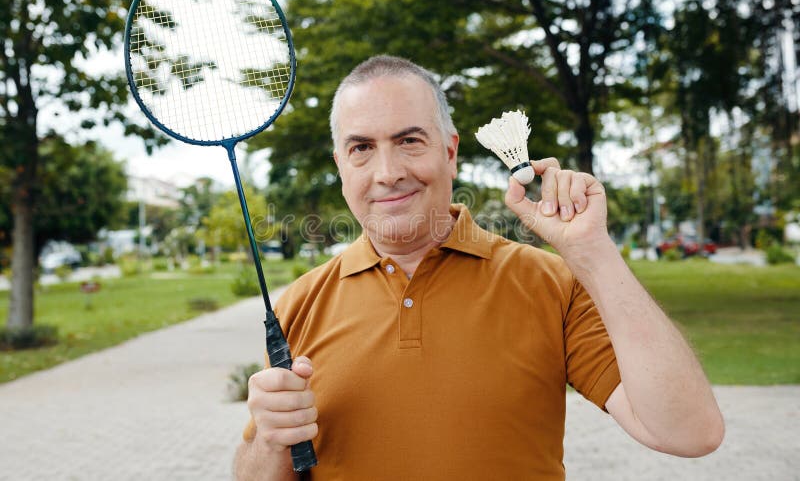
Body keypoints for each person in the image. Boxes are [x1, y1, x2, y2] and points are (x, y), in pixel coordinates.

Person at [233, 56, 724, 480]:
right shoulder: (296, 305)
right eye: (361, 147)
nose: (387, 172)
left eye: (409, 141)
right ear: (341, 163)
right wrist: (268, 442)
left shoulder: (550, 285)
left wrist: (593, 253)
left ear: (450, 151)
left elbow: (689, 432)